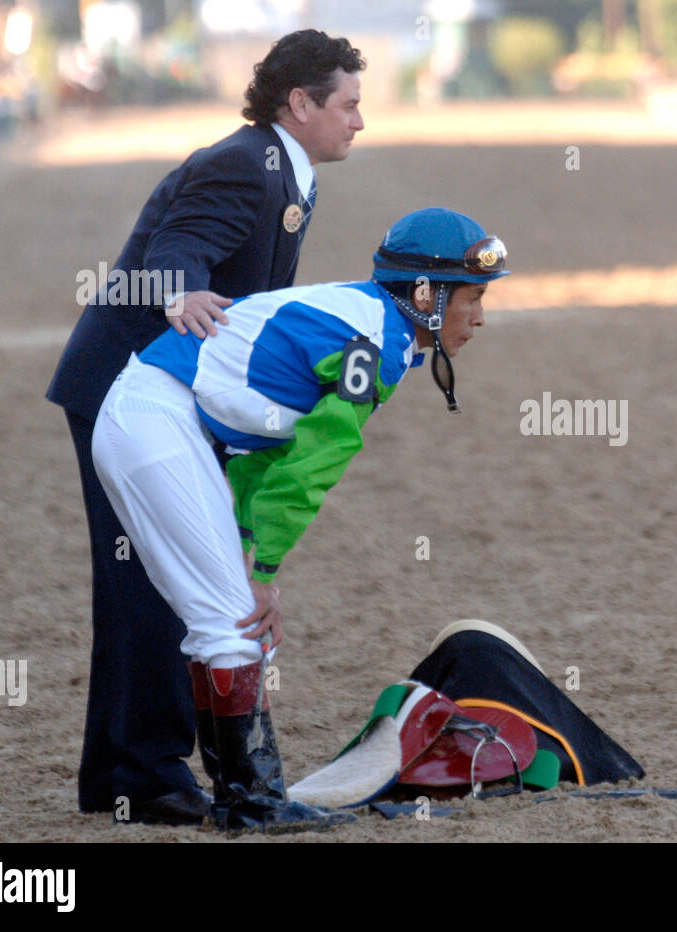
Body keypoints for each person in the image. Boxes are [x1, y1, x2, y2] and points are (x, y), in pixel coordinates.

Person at [90, 207, 508, 829]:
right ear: (426, 294)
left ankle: (241, 797)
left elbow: (270, 456)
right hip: (155, 423)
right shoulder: (376, 345)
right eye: (472, 297)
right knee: (233, 622)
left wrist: (251, 553)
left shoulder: (373, 322)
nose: (479, 315)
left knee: (225, 616)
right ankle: (253, 804)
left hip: (154, 420)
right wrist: (261, 566)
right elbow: (312, 465)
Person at [45, 29, 366, 825]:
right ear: (302, 103)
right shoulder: (245, 165)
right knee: (144, 582)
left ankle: (129, 772)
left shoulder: (278, 168)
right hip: (123, 391)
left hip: (167, 397)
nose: (361, 121)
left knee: (160, 576)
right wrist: (182, 292)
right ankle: (140, 777)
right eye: (351, 104)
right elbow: (177, 245)